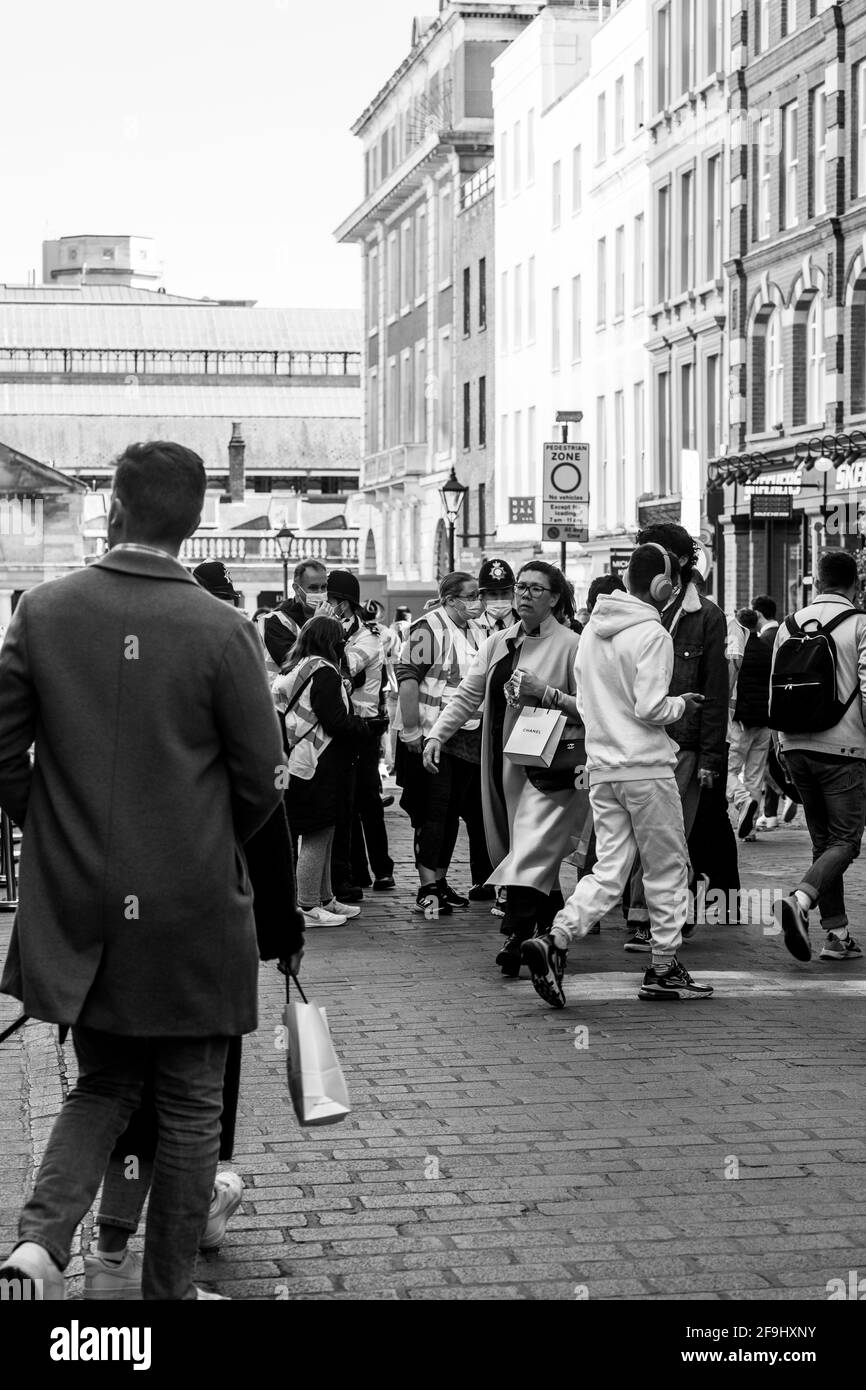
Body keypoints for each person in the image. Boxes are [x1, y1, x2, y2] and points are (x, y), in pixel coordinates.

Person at [0, 440, 286, 1301]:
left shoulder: (46, 611)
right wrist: (204, 841)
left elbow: (1, 749)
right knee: (193, 1103)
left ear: (115, 507)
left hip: (84, 901)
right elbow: (263, 776)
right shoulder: (224, 629)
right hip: (192, 903)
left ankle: (42, 1247)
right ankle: (164, 1301)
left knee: (104, 1082)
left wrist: (53, 825)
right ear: (195, 521)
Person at [521, 545, 714, 1008]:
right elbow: (650, 708)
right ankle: (663, 967)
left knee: (609, 869)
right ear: (663, 586)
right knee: (666, 869)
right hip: (646, 770)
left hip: (605, 769)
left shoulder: (590, 633)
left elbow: (585, 705)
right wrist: (681, 705)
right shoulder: (651, 633)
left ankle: (556, 937)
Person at [424, 562, 584, 975]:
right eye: (521, 587)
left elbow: (592, 707)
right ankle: (552, 932)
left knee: (531, 845)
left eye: (536, 588)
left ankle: (515, 937)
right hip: (502, 765)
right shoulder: (498, 643)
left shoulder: (572, 645)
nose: (525, 594)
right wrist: (437, 735)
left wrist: (547, 694)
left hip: (550, 768)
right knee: (527, 851)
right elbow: (466, 695)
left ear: (555, 597)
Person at [624, 522, 728, 951]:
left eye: (657, 554)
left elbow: (716, 693)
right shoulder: (626, 611)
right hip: (631, 741)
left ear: (679, 564)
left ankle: (652, 917)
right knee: (635, 835)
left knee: (670, 834)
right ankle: (648, 914)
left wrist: (709, 758)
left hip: (680, 744)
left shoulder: (706, 617)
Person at [772, 550, 866, 964]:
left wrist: (779, 743)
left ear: (817, 582)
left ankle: (837, 935)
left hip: (794, 747)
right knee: (846, 841)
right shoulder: (860, 624)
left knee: (824, 844)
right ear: (855, 584)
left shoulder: (788, 626)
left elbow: (777, 688)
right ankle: (800, 899)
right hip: (843, 748)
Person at [274, 615, 384, 927]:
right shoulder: (323, 672)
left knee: (325, 829)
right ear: (330, 642)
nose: (343, 646)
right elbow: (335, 720)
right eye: (340, 641)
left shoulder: (300, 665)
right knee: (316, 832)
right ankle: (308, 905)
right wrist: (368, 727)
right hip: (315, 763)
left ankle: (325, 899)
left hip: (303, 761)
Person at [395, 572, 490, 916]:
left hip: (465, 737)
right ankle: (426, 886)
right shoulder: (427, 629)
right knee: (431, 813)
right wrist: (410, 732)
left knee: (450, 814)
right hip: (430, 734)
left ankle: (441, 880)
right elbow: (407, 680)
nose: (477, 600)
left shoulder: (479, 628)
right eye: (470, 595)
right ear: (450, 599)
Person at [324, 570, 395, 900]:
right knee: (347, 802)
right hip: (342, 726)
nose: (328, 607)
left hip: (364, 727)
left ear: (345, 605)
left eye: (333, 602)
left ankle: (383, 869)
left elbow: (346, 667)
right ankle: (358, 871)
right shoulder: (342, 631)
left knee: (368, 799)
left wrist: (326, 633)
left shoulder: (366, 637)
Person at [726, 608, 772, 840]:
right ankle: (750, 829)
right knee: (755, 773)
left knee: (728, 769)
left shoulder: (737, 650)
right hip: (764, 720)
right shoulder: (767, 649)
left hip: (741, 720)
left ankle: (742, 799)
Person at [257, 559, 329, 677]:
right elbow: (291, 663)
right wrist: (317, 624)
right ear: (296, 588)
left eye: (324, 587)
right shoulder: (274, 620)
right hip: (285, 694)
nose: (320, 592)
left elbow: (340, 661)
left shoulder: (330, 617)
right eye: (313, 588)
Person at [474, 558, 518, 638]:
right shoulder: (470, 630)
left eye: (505, 593)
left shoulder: (529, 627)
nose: (499, 599)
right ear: (482, 597)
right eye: (493, 594)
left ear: (513, 594)